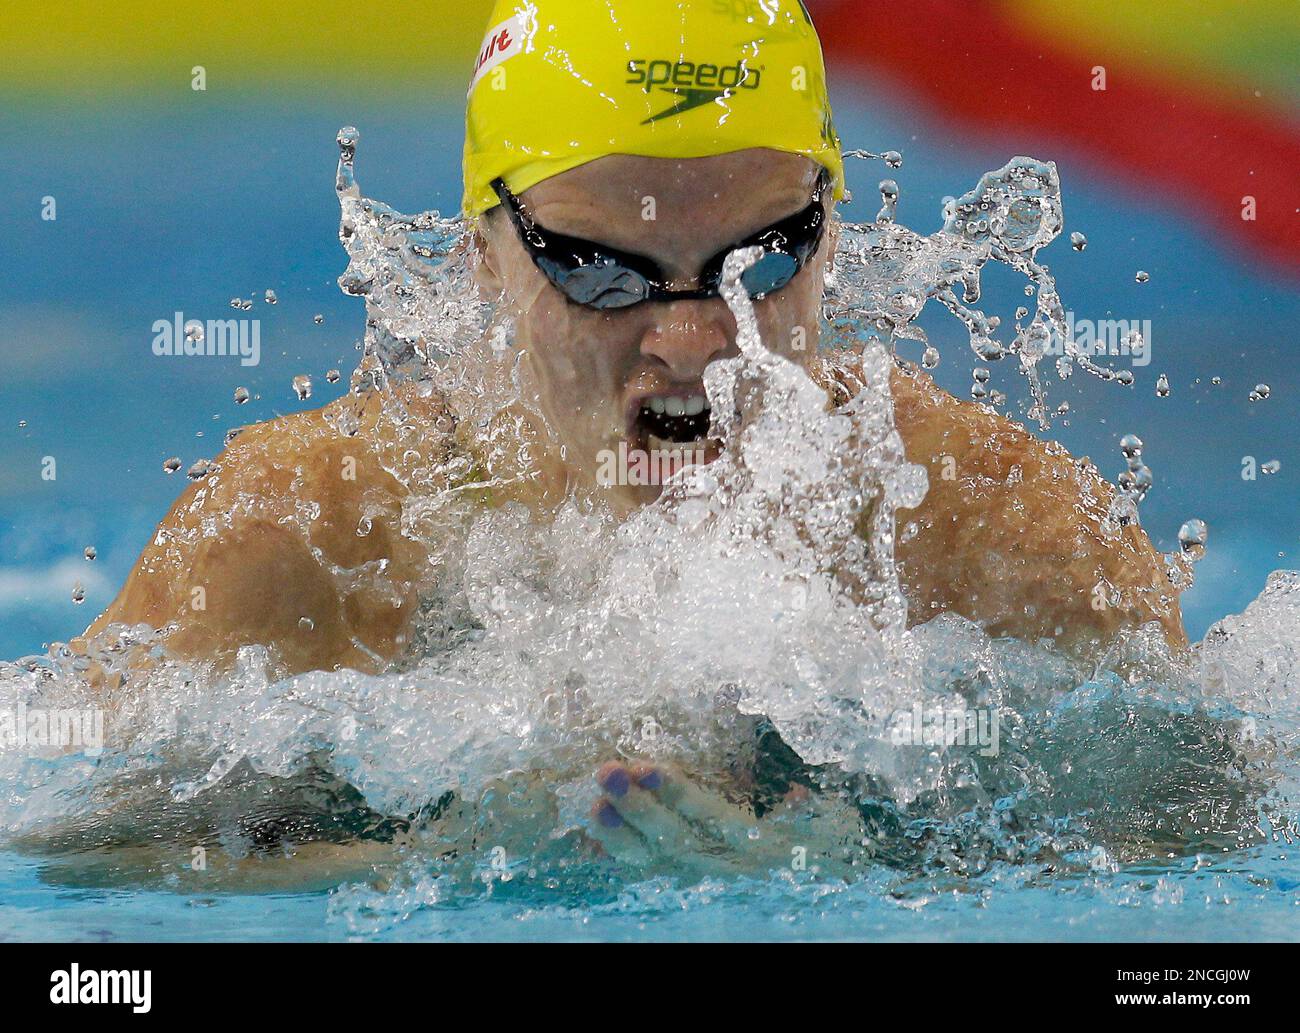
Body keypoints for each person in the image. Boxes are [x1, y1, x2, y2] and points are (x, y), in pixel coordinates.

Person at [81, 0, 1184, 869]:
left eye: (765, 261)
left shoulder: (994, 536)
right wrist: (434, 857)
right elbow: (82, 852)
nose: (696, 340)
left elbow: (1204, 830)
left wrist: (877, 875)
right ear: (484, 262)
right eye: (601, 271)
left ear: (833, 240)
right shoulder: (303, 538)